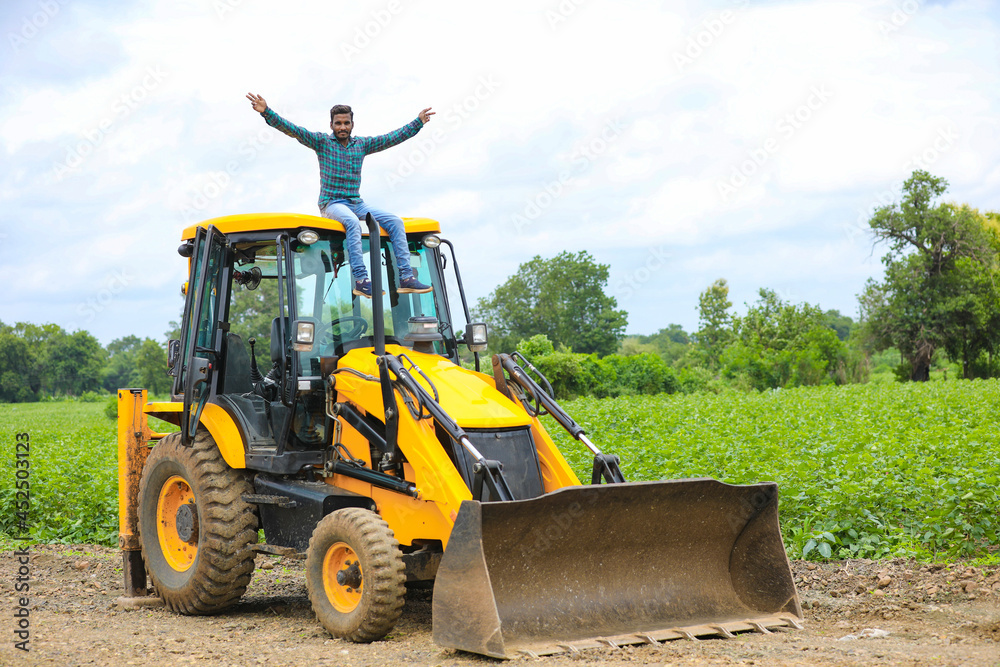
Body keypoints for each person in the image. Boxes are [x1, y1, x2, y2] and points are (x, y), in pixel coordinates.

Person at [246, 92, 434, 297]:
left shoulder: (361, 145)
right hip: (332, 203)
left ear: (352, 124)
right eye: (338, 123)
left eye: (346, 123)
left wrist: (418, 123)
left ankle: (406, 277)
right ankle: (361, 280)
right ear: (331, 125)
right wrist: (267, 112)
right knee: (352, 223)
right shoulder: (322, 143)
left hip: (356, 202)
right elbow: (293, 130)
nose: (342, 127)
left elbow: (391, 138)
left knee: (396, 221)